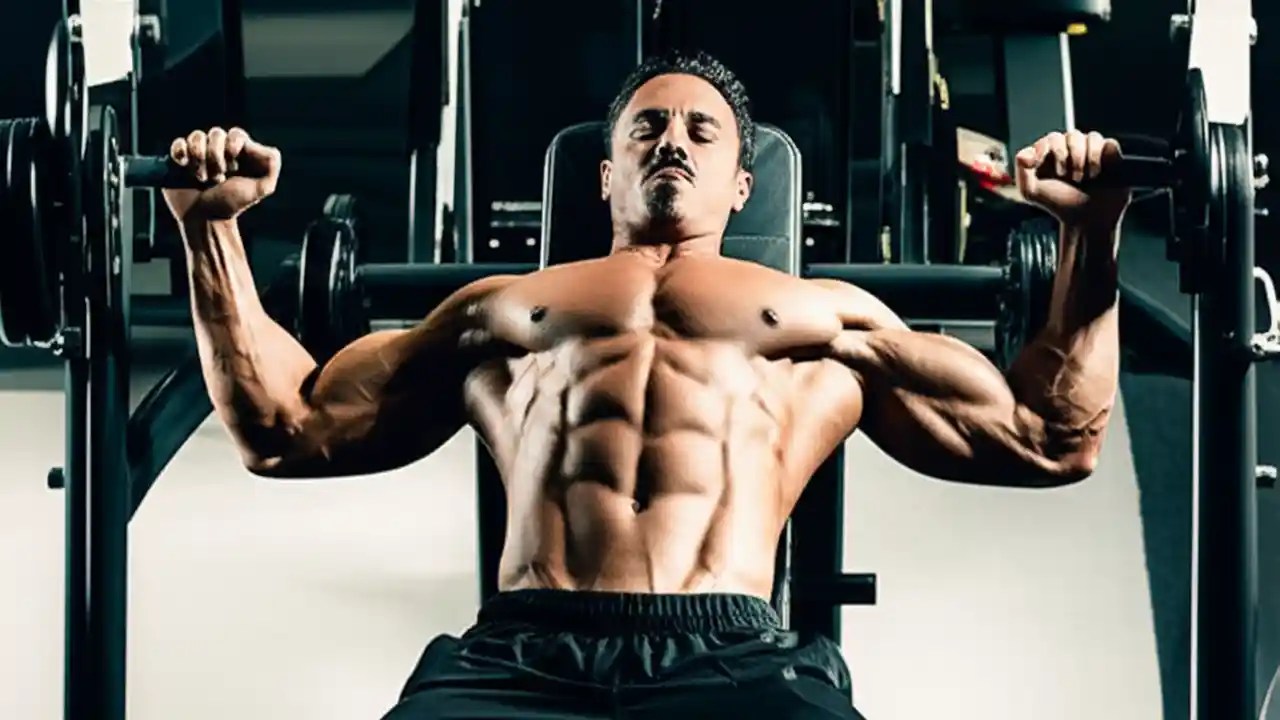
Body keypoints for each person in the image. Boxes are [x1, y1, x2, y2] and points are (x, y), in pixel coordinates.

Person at [164, 50, 1128, 719]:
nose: (673, 140)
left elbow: (1052, 438)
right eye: (648, 128)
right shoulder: (495, 312)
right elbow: (285, 430)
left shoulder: (828, 320)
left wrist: (1090, 237)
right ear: (604, 173)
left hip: (736, 659)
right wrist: (209, 228)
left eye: (702, 131)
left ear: (742, 186)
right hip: (519, 656)